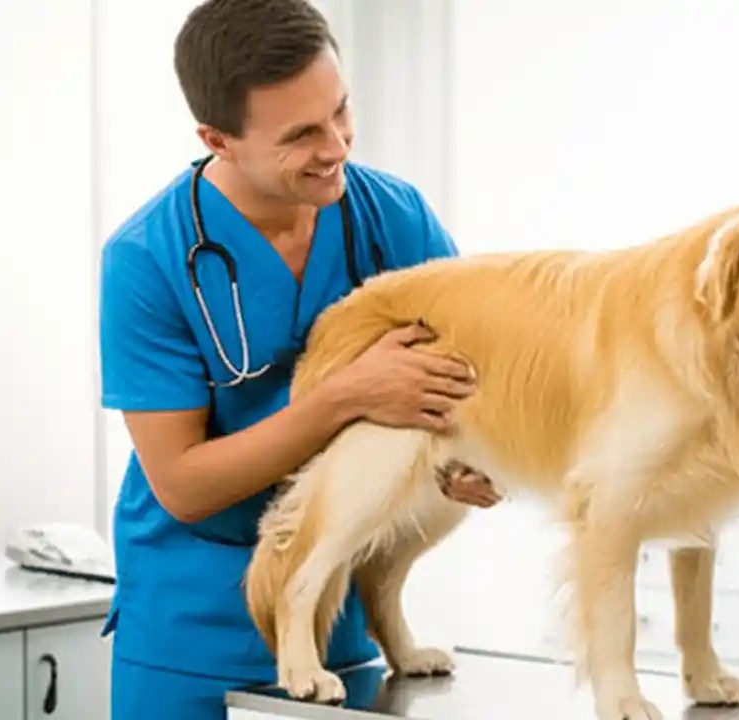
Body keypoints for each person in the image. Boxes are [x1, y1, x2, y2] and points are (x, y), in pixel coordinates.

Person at [96, 1, 500, 718]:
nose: (337, 146)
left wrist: (467, 455)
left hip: (336, 628)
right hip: (192, 636)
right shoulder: (147, 260)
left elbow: (476, 373)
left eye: (341, 111)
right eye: (301, 135)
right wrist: (345, 397)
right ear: (218, 139)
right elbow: (183, 484)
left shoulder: (393, 218)